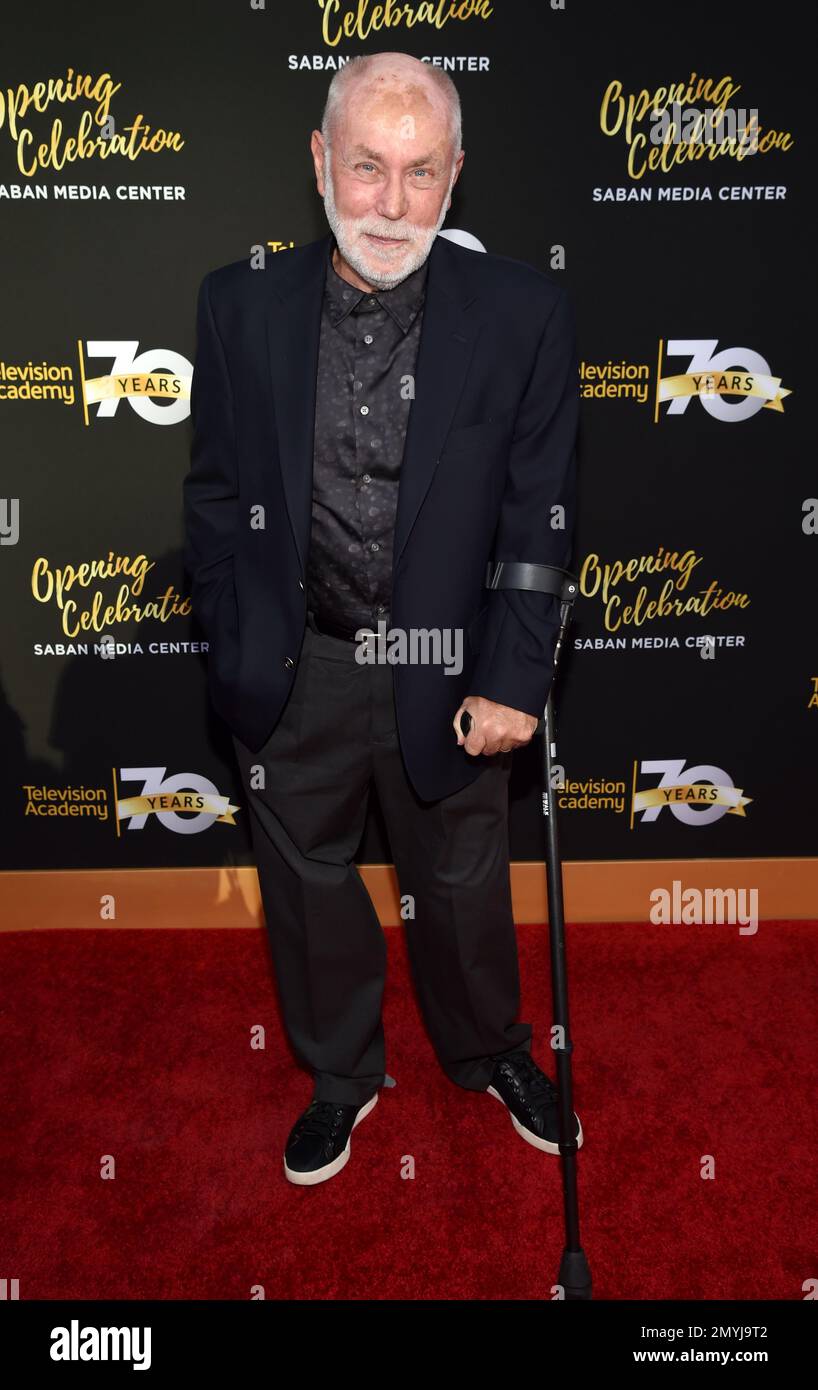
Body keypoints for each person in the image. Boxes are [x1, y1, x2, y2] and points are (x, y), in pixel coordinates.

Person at [183, 51, 582, 1186]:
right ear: (320, 162)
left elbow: (539, 515)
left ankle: (487, 1049)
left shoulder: (523, 315)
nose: (390, 205)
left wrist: (514, 679)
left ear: (455, 177)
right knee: (308, 887)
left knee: (460, 885)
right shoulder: (238, 302)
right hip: (294, 660)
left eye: (419, 173)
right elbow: (213, 497)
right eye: (366, 167)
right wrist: (233, 641)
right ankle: (341, 1073)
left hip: (452, 672)